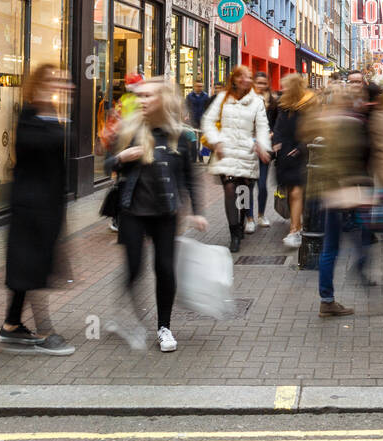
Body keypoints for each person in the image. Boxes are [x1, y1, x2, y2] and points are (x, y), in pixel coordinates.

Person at [105, 77, 207, 352]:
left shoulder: (179, 136)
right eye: (140, 96)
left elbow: (189, 176)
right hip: (132, 211)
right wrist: (122, 158)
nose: (142, 100)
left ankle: (164, 327)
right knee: (135, 267)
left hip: (165, 212)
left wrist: (197, 212)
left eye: (149, 96)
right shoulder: (127, 130)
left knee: (164, 269)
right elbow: (106, 165)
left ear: (162, 99)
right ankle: (124, 313)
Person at [0, 64, 75, 355]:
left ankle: (11, 324)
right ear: (42, 85)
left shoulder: (49, 115)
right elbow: (34, 147)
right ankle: (43, 329)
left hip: (46, 205)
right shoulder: (31, 115)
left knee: (30, 269)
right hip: (31, 208)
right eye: (60, 82)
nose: (67, 86)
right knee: (32, 268)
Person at [314, 78, 375, 317]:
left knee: (330, 247)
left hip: (331, 192)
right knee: (356, 239)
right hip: (347, 193)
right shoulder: (351, 123)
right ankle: (358, 270)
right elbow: (355, 159)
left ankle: (326, 299)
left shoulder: (326, 122)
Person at [201, 65, 271, 252]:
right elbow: (208, 121)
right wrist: (216, 141)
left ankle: (241, 222)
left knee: (244, 190)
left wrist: (263, 147)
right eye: (242, 77)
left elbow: (263, 127)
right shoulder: (223, 98)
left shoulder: (257, 102)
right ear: (234, 78)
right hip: (227, 150)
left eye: (249, 77)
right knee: (230, 188)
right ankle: (234, 234)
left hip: (247, 151)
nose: (246, 80)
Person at [273, 73, 316, 248]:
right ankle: (297, 225)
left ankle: (294, 229)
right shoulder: (283, 105)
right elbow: (278, 127)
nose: (283, 89)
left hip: (300, 155)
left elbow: (312, 130)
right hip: (285, 155)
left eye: (287, 86)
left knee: (297, 192)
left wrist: (300, 148)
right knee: (291, 193)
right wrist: (276, 142)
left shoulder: (309, 105)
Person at [249, 71, 278, 228]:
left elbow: (276, 123)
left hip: (265, 147)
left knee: (261, 184)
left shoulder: (273, 103)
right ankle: (248, 218)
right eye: (258, 83)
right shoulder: (247, 100)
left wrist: (272, 133)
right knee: (247, 185)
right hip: (249, 148)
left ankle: (261, 215)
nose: (260, 86)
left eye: (263, 83)